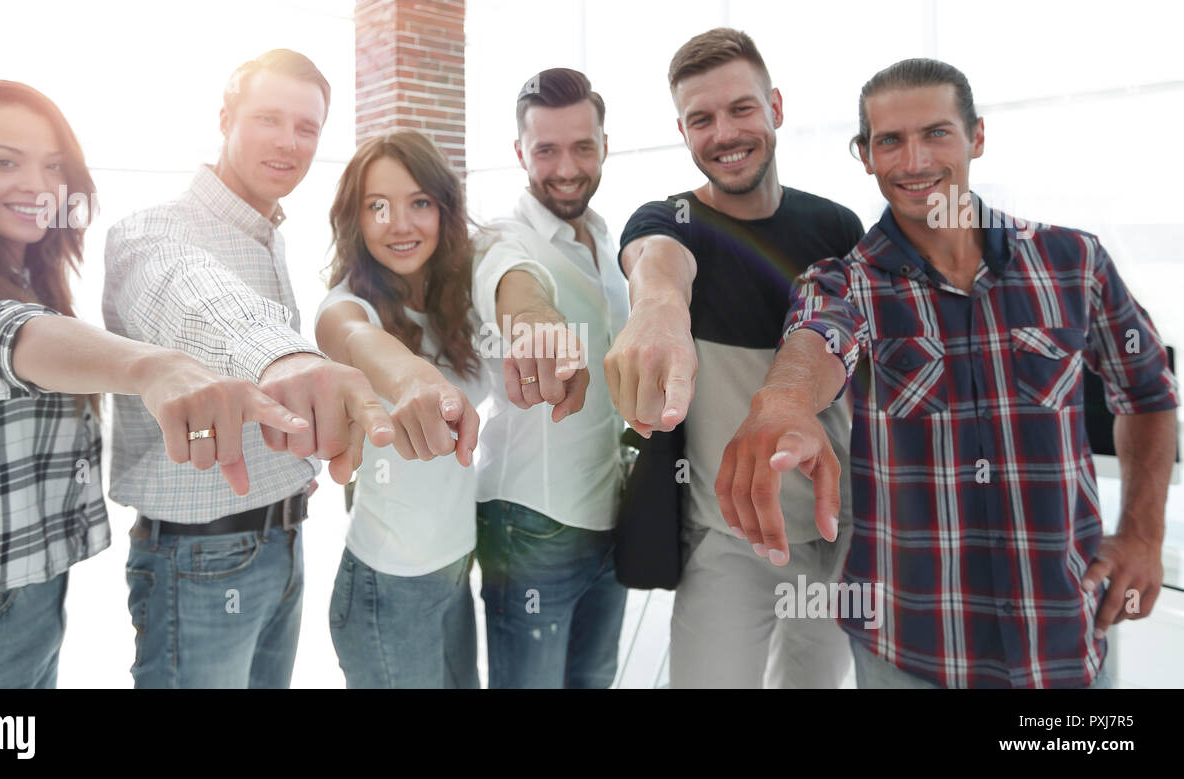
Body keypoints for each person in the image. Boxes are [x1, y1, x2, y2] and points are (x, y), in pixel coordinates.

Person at [718, 57, 1179, 688]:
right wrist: (783, 403)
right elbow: (818, 339)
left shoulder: (1074, 261)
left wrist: (1144, 535)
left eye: (935, 132)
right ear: (865, 155)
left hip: (1067, 641)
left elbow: (1148, 392)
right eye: (890, 141)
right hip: (909, 651)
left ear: (976, 137)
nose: (914, 162)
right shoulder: (842, 281)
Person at [0, 80, 307, 689]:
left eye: (53, 165)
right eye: (4, 161)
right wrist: (152, 366)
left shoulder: (30, 288)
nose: (37, 183)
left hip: (26, 606)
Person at [103, 49, 394, 689]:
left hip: (280, 542)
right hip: (198, 558)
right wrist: (286, 356)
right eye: (269, 118)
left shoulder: (270, 235)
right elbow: (195, 296)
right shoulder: (153, 231)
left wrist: (290, 468)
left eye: (307, 128)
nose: (289, 142)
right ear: (226, 116)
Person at [605, 28, 864, 688]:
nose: (723, 132)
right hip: (725, 541)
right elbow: (658, 268)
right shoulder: (670, 220)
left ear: (775, 106)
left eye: (740, 108)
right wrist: (658, 308)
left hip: (835, 534)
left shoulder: (836, 228)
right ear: (683, 130)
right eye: (701, 118)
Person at [472, 67, 630, 688]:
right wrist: (536, 323)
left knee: (594, 680)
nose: (566, 167)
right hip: (532, 525)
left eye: (582, 147)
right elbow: (512, 284)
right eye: (546, 150)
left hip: (609, 514)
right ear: (519, 153)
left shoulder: (603, 234)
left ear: (604, 145)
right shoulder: (500, 239)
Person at [316, 130, 485, 688]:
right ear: (356, 220)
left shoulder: (453, 301)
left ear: (443, 210)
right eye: (378, 207)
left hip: (454, 571)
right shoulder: (346, 306)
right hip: (386, 589)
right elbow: (353, 337)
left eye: (420, 203)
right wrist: (413, 377)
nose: (402, 224)